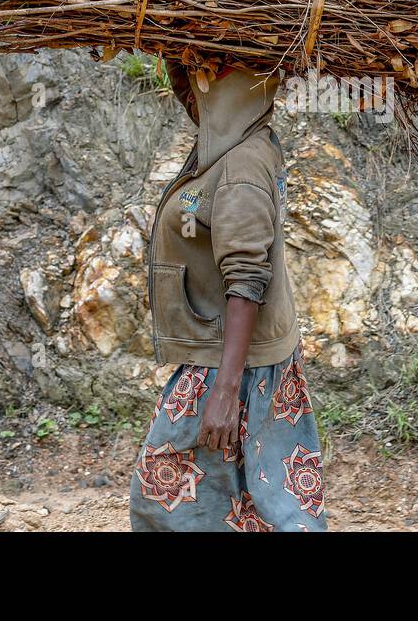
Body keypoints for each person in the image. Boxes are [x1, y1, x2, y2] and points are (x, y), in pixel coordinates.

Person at [129, 61, 327, 531]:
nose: (197, 84)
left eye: (211, 72)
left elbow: (246, 278)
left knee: (172, 499)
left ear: (238, 87)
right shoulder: (237, 140)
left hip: (234, 365)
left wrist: (224, 392)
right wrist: (176, 56)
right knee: (250, 500)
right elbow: (197, 100)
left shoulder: (241, 165)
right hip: (235, 356)